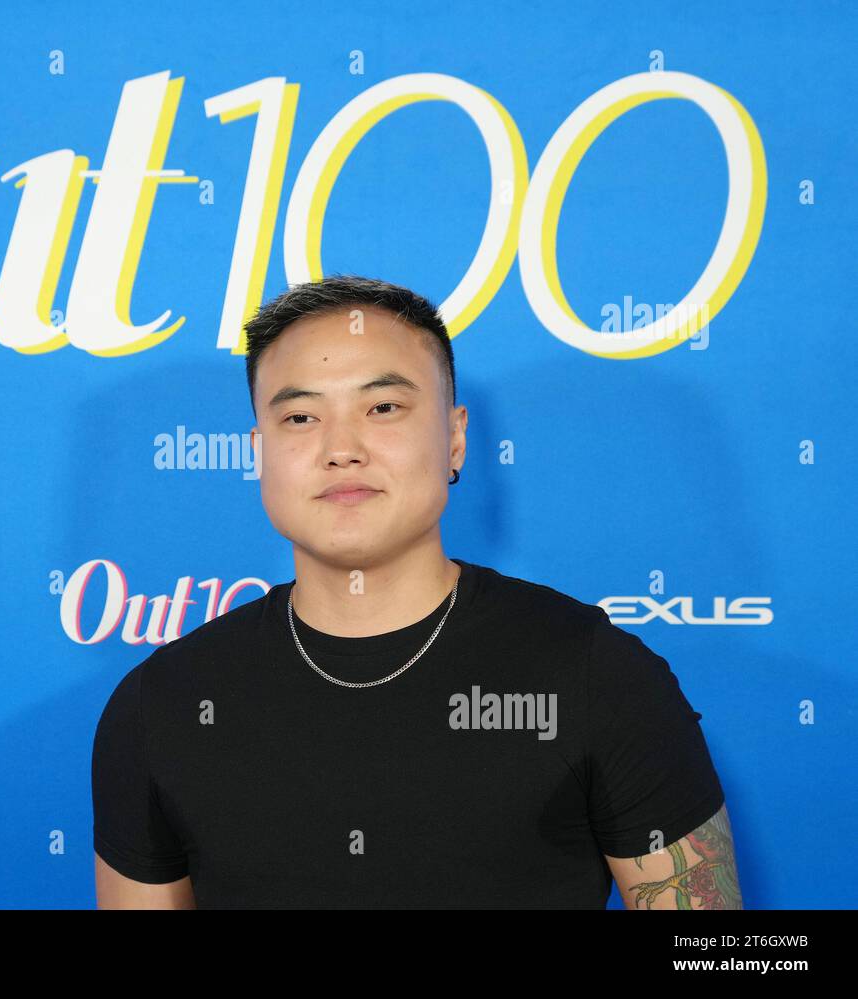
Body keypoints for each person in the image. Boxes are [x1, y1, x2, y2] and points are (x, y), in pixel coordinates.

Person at [91, 274, 741, 909]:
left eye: (383, 407)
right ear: (260, 451)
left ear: (455, 438)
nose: (341, 448)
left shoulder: (598, 676)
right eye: (299, 415)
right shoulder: (162, 704)